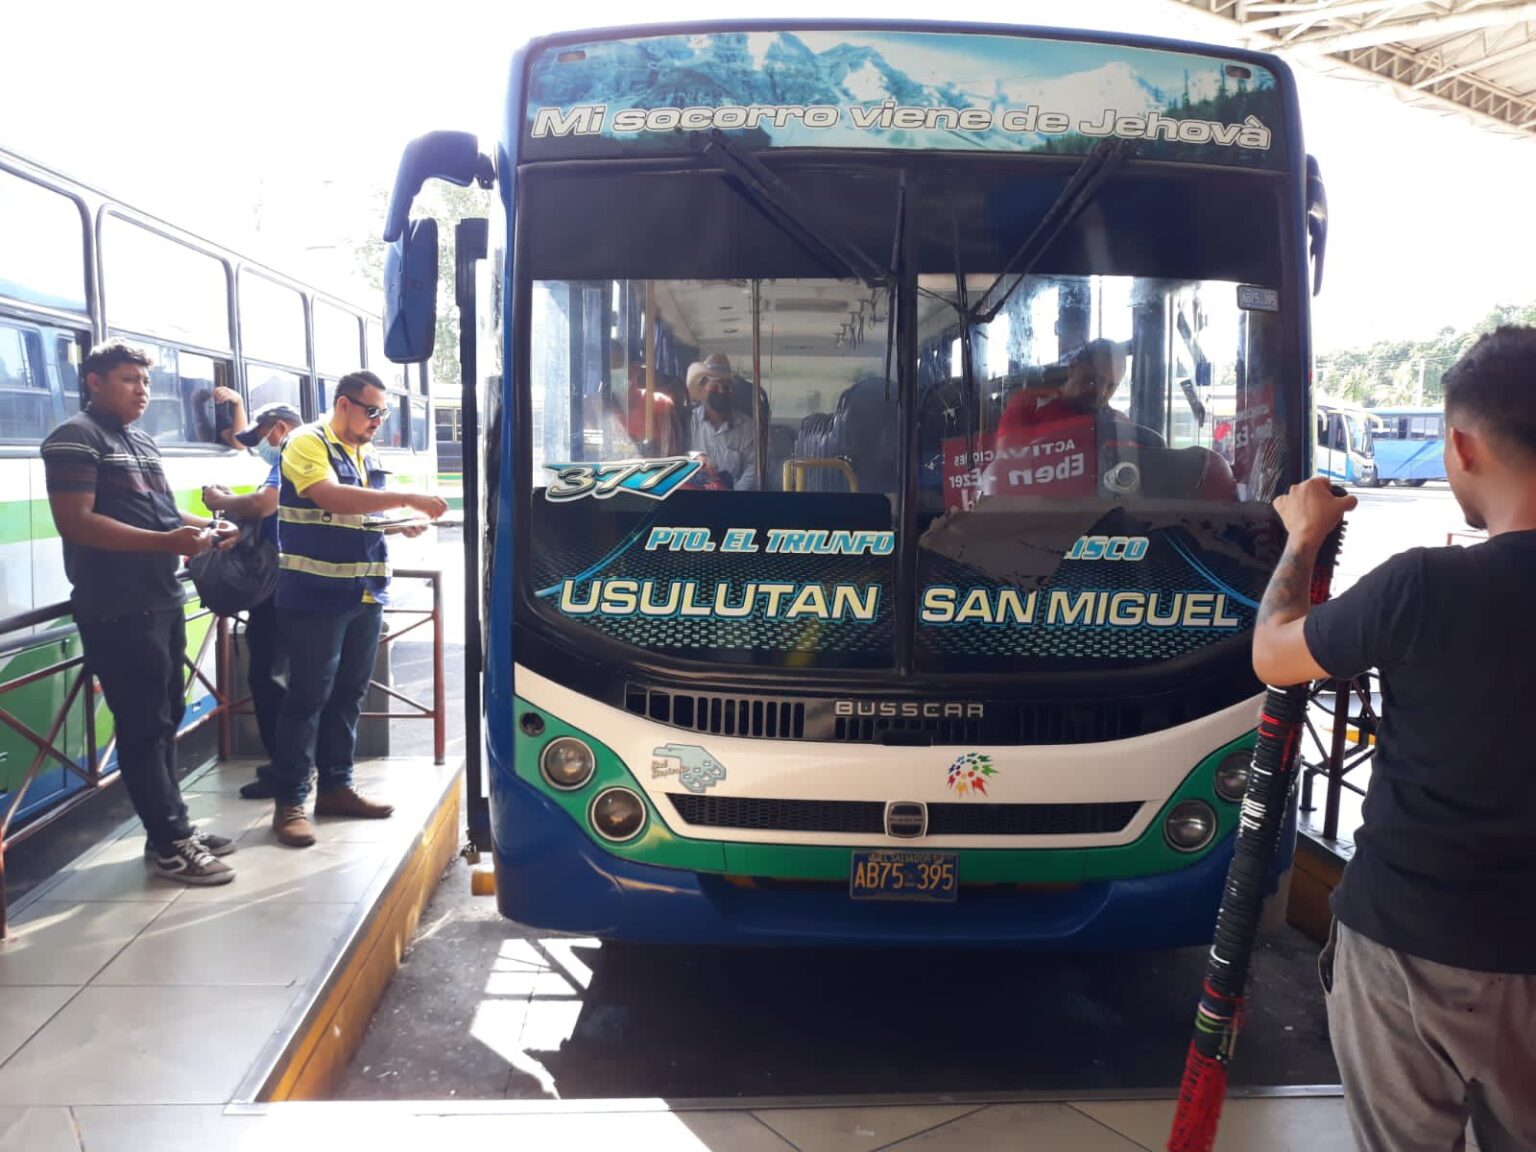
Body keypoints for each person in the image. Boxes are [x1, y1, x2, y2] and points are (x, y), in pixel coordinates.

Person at [1251, 325, 1536, 1151]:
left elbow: (1274, 655)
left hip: (1408, 942)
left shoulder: (1422, 587)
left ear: (1462, 445)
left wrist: (1303, 536)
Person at [40, 340, 240, 885]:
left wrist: (207, 527)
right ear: (94, 382)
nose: (142, 390)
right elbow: (76, 522)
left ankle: (171, 829)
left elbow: (163, 514)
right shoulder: (74, 438)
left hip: (161, 598)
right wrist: (166, 542)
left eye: (146, 381)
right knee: (144, 724)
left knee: (165, 718)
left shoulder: (142, 441)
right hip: (117, 606)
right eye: (129, 380)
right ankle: (173, 844)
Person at [269, 371, 449, 847]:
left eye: (382, 413)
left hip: (365, 592)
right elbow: (328, 496)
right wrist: (407, 497)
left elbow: (357, 516)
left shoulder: (365, 452)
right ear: (343, 404)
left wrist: (396, 523)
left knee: (349, 695)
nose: (377, 421)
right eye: (371, 411)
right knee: (308, 698)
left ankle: (336, 788)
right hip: (315, 595)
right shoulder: (306, 442)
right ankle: (290, 802)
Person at [200, 401, 303, 801]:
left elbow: (264, 504)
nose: (260, 447)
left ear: (279, 429)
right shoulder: (303, 456)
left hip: (280, 589)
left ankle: (286, 772)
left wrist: (221, 502)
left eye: (260, 437)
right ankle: (292, 768)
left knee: (270, 679)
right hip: (293, 585)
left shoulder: (293, 453)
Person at [689, 356, 758, 490]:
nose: (721, 391)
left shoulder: (747, 427)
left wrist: (731, 497)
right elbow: (679, 458)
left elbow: (753, 468)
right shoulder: (689, 421)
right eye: (715, 387)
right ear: (703, 389)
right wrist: (696, 458)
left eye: (726, 387)